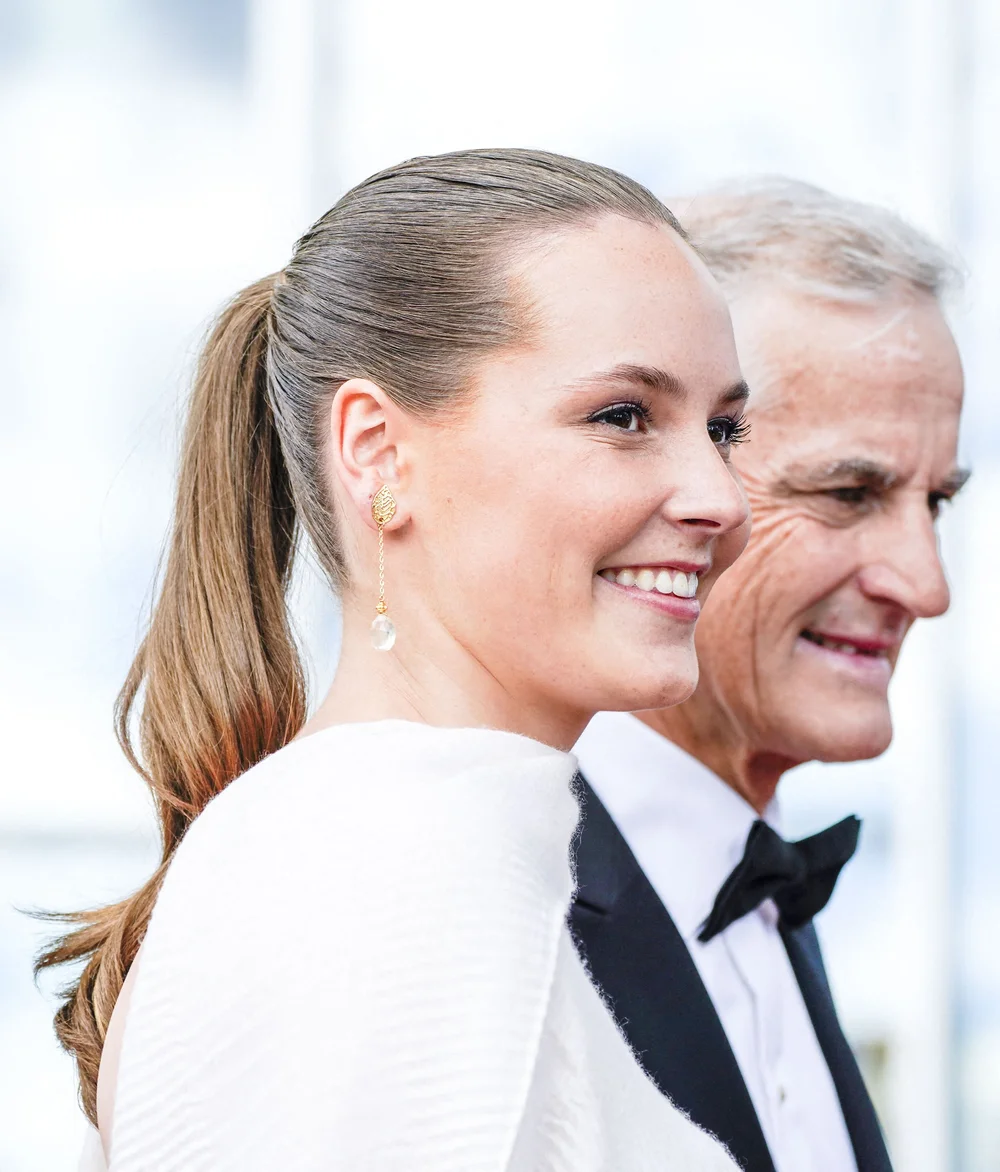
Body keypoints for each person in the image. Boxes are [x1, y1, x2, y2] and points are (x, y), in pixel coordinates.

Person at [38, 149, 755, 1172]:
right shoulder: (383, 860)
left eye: (724, 427)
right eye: (622, 416)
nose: (720, 498)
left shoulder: (388, 840)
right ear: (377, 450)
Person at [572, 178, 968, 1172]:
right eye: (848, 491)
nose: (925, 585)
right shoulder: (487, 898)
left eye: (936, 502)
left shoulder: (764, 892)